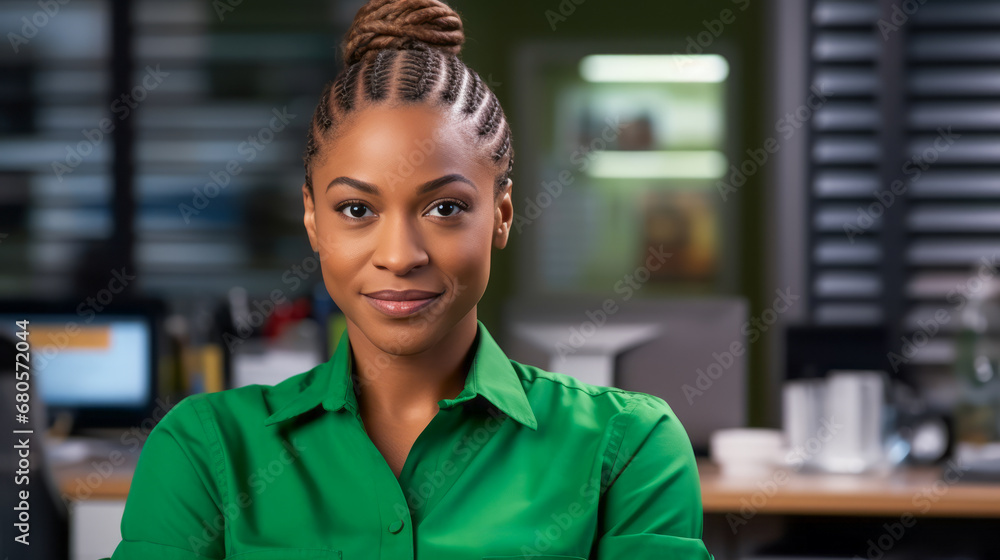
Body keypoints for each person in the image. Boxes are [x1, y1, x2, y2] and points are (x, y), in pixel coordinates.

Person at [102, 1, 713, 558]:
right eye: (357, 210)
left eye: (444, 208)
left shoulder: (628, 448)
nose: (399, 255)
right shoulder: (205, 452)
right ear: (313, 220)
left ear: (500, 216)